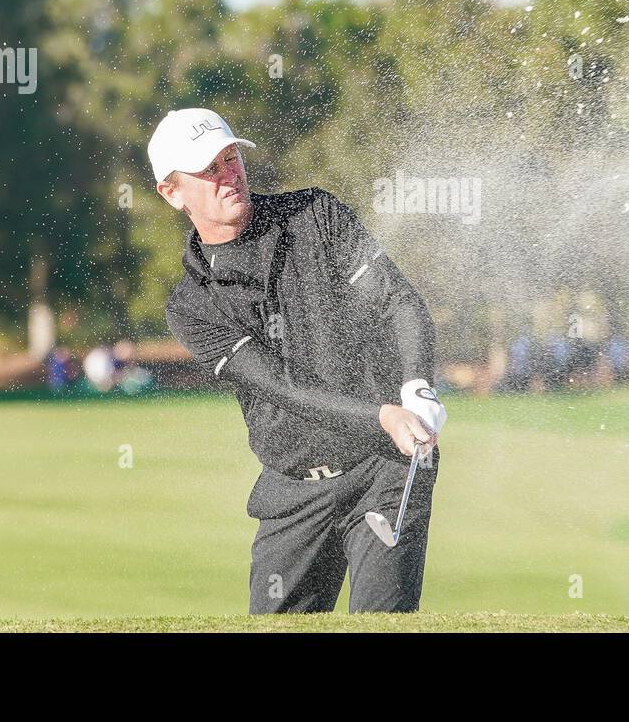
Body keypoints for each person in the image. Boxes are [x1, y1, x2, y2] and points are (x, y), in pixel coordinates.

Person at [150, 108, 445, 613]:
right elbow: (282, 387)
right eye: (209, 169)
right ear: (173, 192)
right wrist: (379, 414)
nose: (229, 175)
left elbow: (399, 301)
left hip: (384, 468)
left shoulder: (314, 215)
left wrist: (417, 385)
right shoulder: (192, 306)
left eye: (231, 157)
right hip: (293, 492)